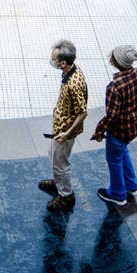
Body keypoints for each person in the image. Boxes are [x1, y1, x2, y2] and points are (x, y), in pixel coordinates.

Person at [91, 45, 137, 206]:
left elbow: (112, 116)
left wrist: (99, 131)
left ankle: (117, 194)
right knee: (122, 151)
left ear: (115, 62)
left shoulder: (114, 87)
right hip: (135, 126)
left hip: (120, 131)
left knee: (114, 160)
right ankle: (132, 185)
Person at [38, 40, 88, 212]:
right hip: (60, 126)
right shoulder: (70, 70)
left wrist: (67, 133)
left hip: (64, 131)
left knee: (60, 163)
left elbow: (83, 112)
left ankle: (66, 195)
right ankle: (59, 181)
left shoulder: (73, 84)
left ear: (63, 63)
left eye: (55, 59)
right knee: (54, 157)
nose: (53, 61)